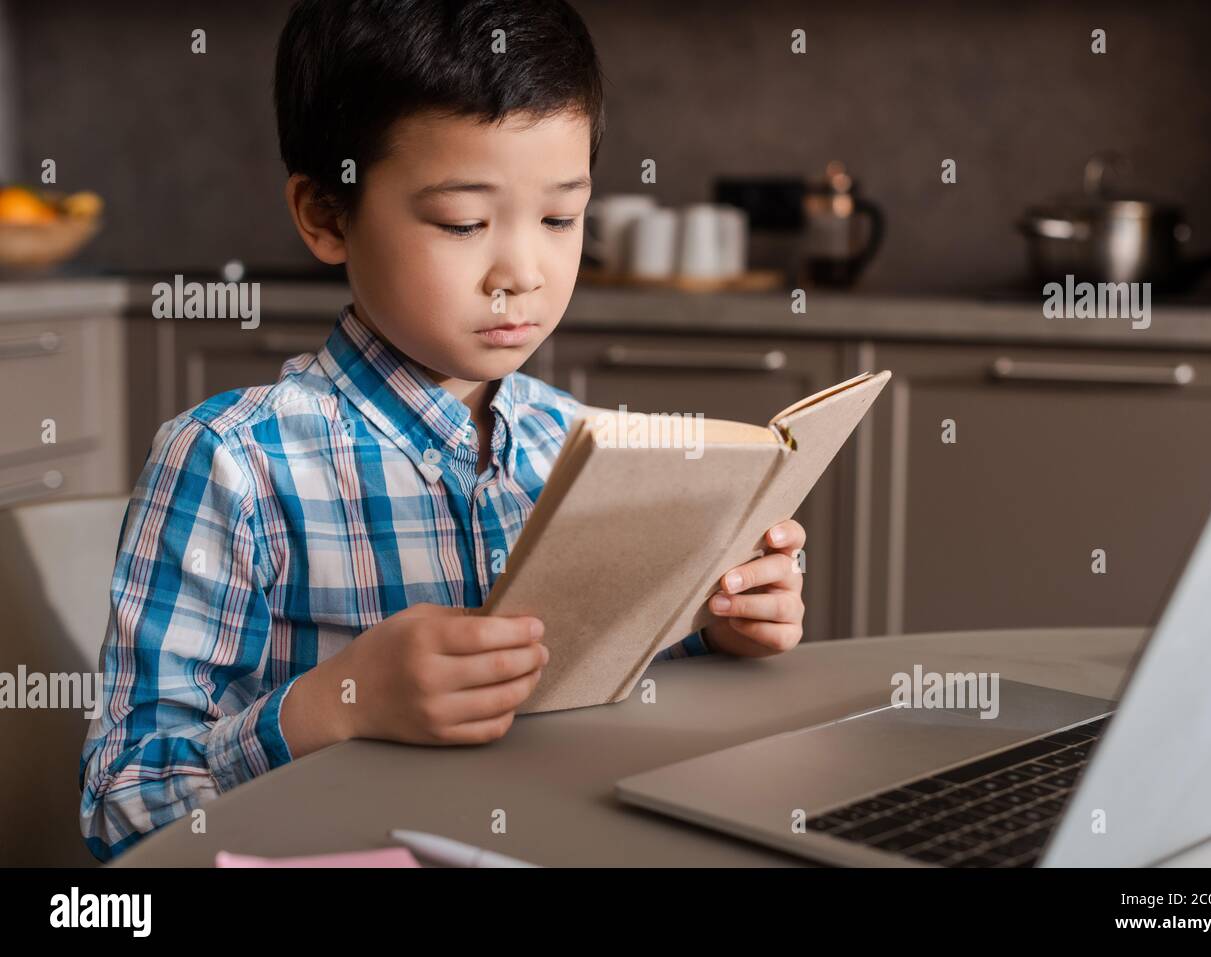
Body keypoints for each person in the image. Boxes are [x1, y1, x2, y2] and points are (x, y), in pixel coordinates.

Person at [79, 0, 807, 862]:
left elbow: (621, 704)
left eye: (560, 218)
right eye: (463, 223)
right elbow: (124, 806)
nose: (522, 273)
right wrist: (337, 702)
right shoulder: (233, 464)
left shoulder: (581, 445)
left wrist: (721, 624)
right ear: (325, 214)